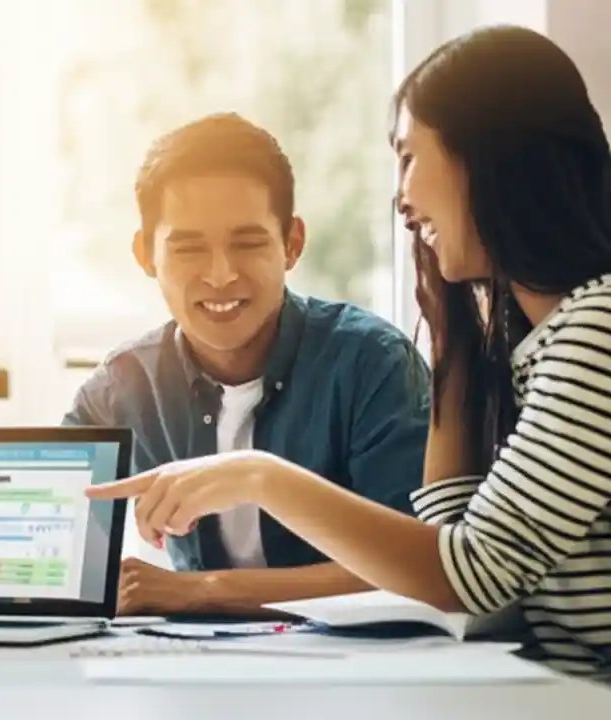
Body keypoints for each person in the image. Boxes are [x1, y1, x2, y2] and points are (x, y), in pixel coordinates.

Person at [89, 25, 611, 678]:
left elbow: (470, 580)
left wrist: (257, 476)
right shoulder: (529, 345)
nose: (402, 198)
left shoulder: (597, 331)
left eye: (408, 156)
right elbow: (451, 546)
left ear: (487, 159)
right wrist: (453, 332)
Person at [64, 113, 429, 616]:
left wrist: (201, 589)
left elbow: (420, 570)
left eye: (248, 243)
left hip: (354, 665)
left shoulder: (373, 365)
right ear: (146, 255)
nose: (220, 275)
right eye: (189, 247)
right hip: (199, 665)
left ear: (292, 244)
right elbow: (45, 540)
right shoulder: (125, 386)